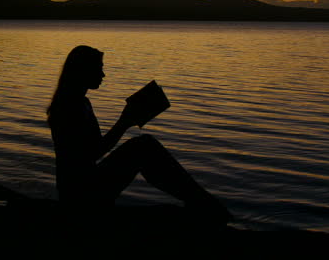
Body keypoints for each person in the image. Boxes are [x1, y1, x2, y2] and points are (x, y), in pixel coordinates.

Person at [47, 45, 231, 222]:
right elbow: (91, 154)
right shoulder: (67, 107)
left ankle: (198, 201)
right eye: (98, 69)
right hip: (79, 193)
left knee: (145, 145)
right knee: (144, 146)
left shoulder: (82, 102)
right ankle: (202, 203)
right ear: (83, 71)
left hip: (86, 184)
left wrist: (125, 122)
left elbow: (93, 151)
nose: (103, 74)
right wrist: (123, 122)